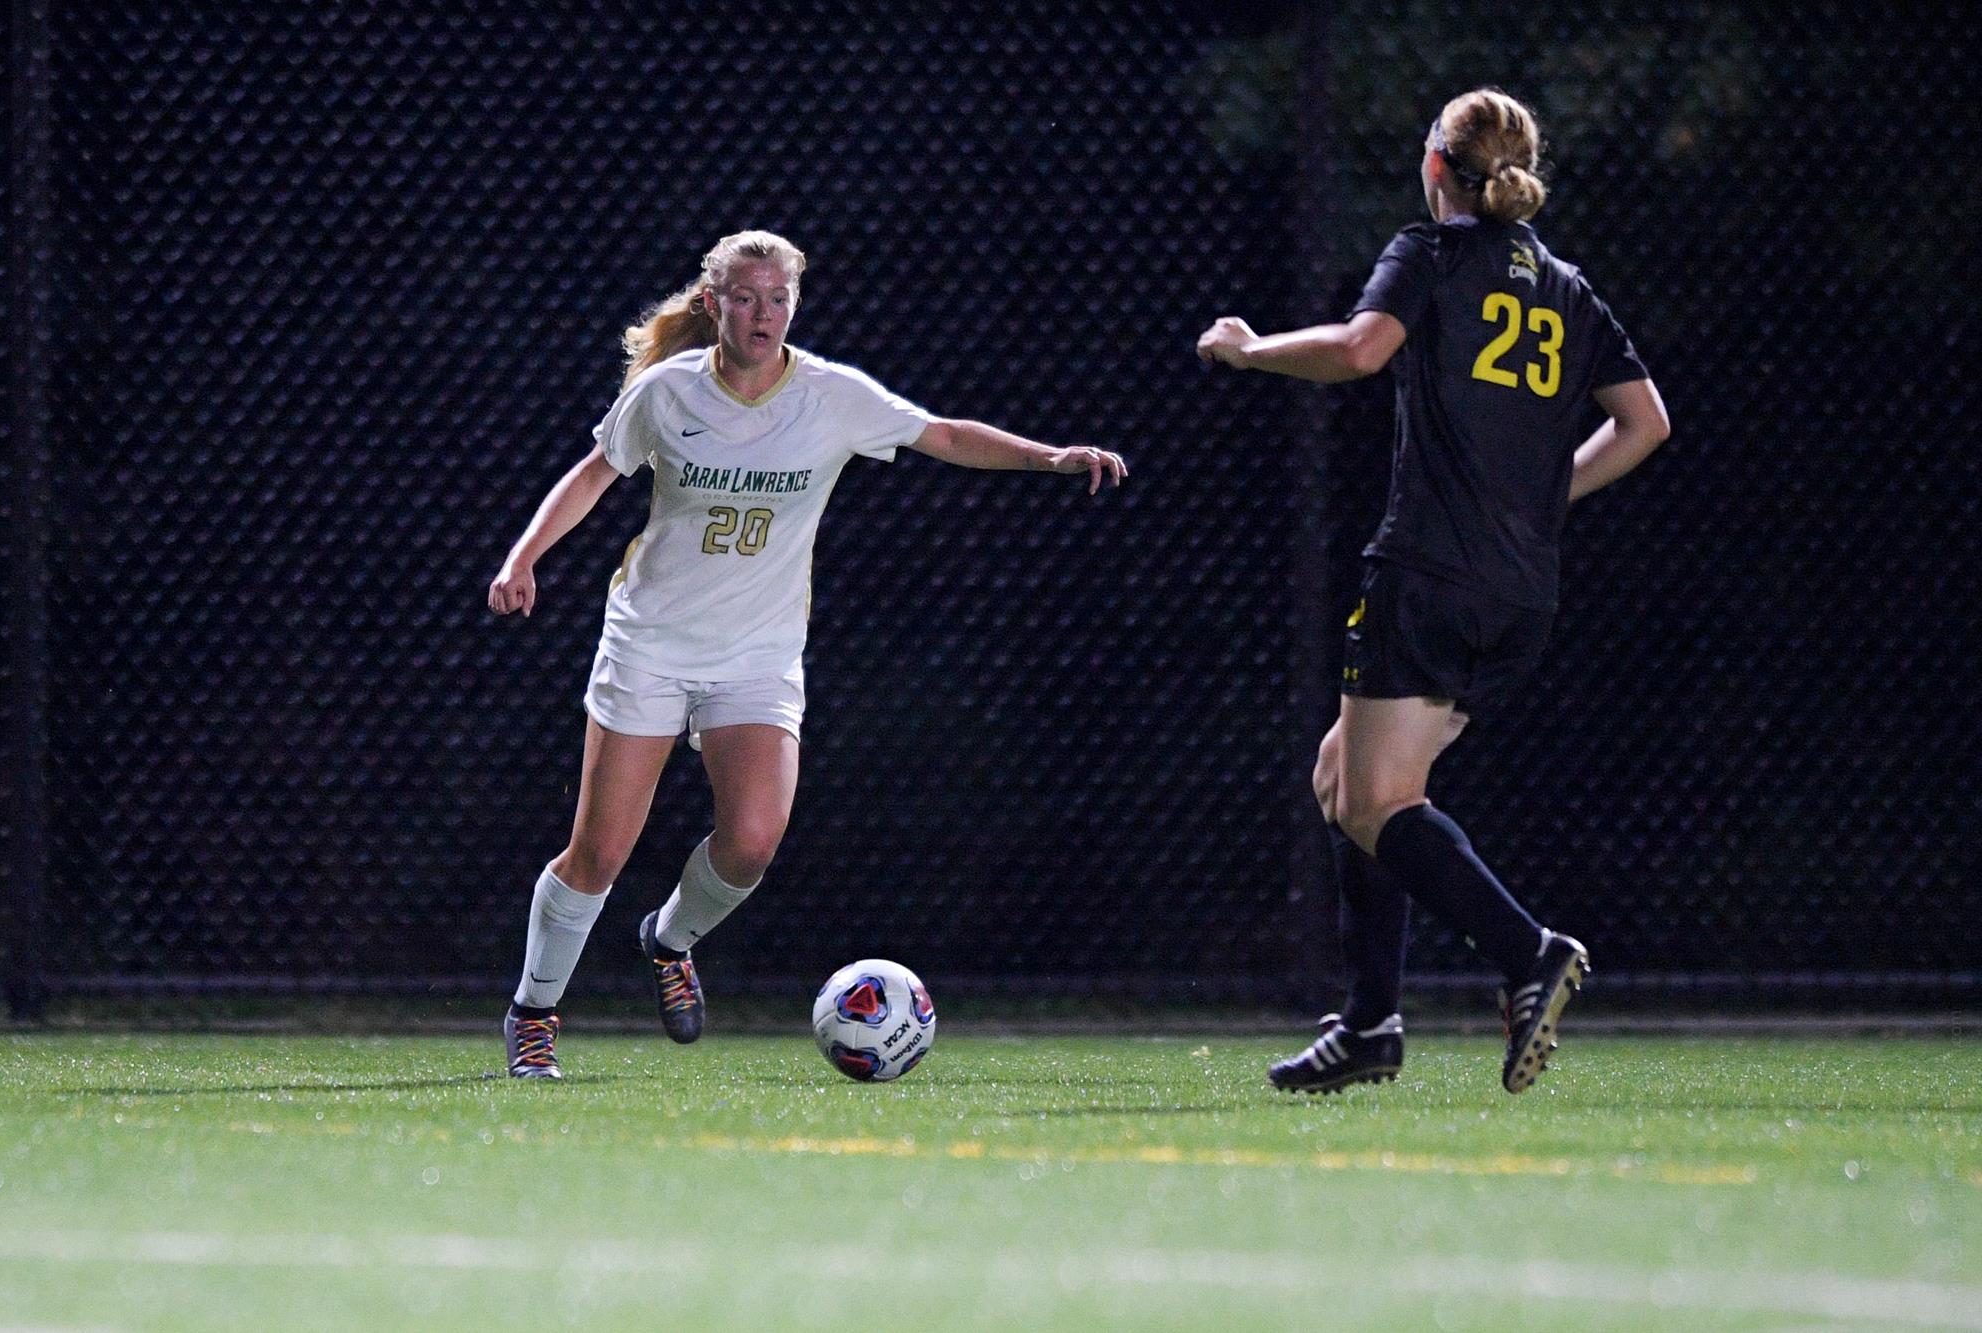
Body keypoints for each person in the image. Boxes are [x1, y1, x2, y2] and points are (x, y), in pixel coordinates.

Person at [488, 230, 1127, 1078]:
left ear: (796, 305)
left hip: (757, 655)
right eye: (746, 298)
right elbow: (594, 474)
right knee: (599, 851)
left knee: (751, 840)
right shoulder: (668, 393)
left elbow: (939, 433)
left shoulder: (829, 395)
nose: (764, 314)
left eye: (778, 299)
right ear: (713, 304)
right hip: (649, 643)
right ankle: (534, 1011)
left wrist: (1049, 455)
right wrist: (523, 557)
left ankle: (668, 938)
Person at [1197, 89, 1670, 1095]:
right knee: (1342, 778)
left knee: (1374, 800)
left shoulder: (1430, 252)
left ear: (1434, 167)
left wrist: (1246, 349)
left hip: (1426, 570)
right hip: (1519, 587)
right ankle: (1371, 1024)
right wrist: (1545, 495)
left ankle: (1527, 949)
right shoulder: (1567, 288)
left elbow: (1361, 349)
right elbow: (1643, 424)